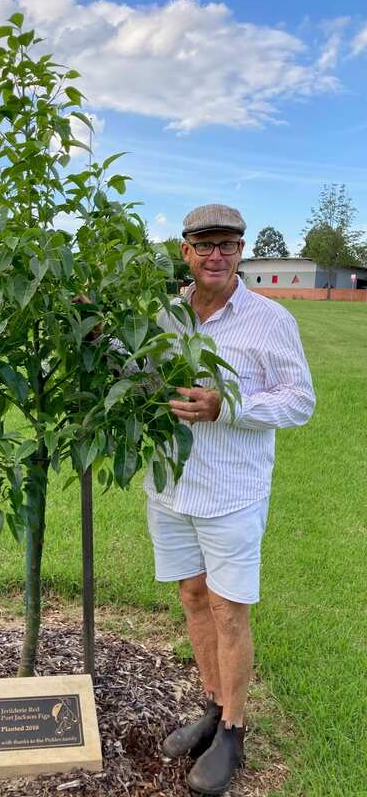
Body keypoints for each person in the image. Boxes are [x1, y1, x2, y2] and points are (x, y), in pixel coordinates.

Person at [145, 204, 315, 795]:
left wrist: (229, 406)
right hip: (169, 485)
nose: (216, 254)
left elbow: (300, 402)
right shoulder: (164, 314)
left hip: (233, 491)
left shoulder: (269, 320)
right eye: (204, 244)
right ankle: (214, 708)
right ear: (185, 251)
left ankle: (235, 732)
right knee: (193, 598)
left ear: (241, 251)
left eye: (228, 244)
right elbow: (135, 369)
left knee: (228, 609)